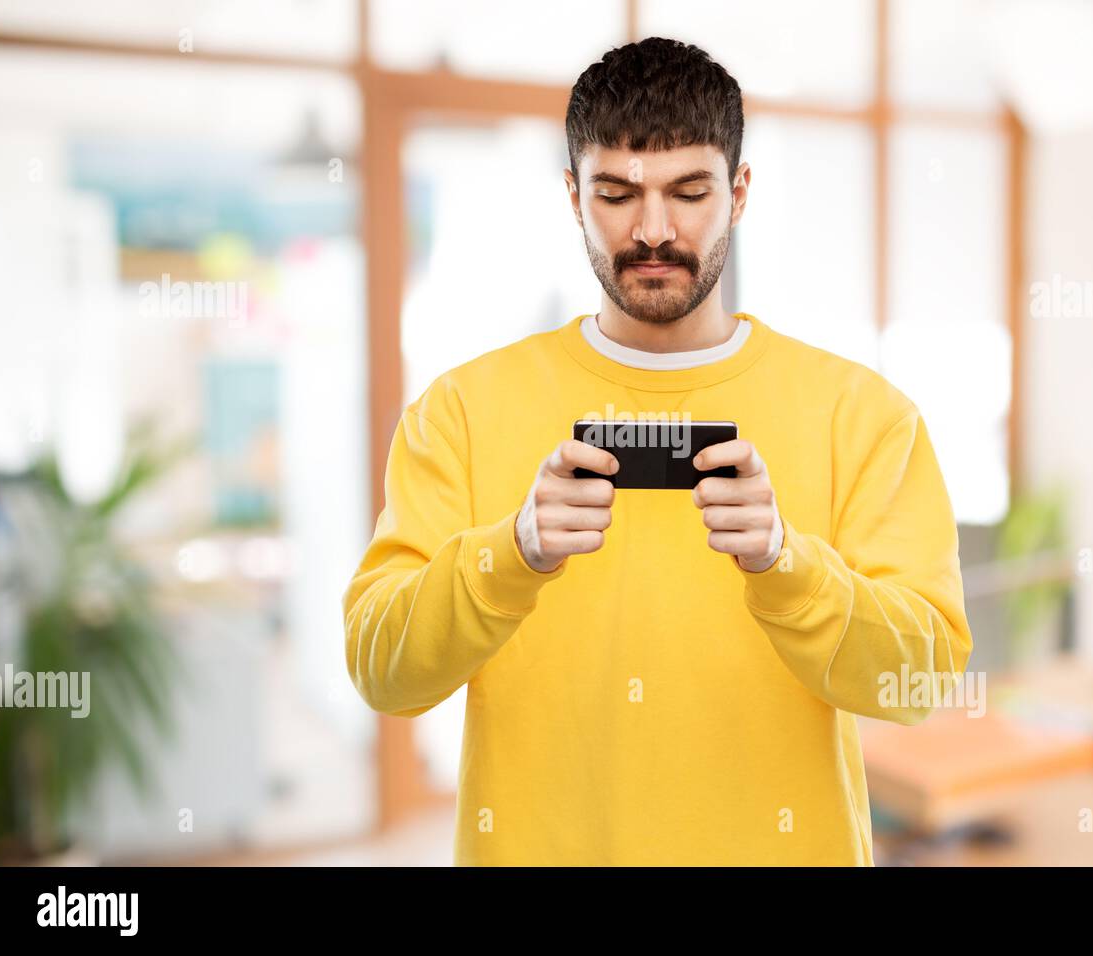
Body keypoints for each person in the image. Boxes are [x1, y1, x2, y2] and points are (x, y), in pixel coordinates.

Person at [343, 36, 972, 865]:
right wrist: (512, 551)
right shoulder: (460, 411)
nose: (652, 230)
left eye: (689, 191)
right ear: (573, 196)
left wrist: (789, 565)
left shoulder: (863, 415)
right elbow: (384, 673)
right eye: (615, 193)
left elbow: (923, 683)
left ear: (739, 192)